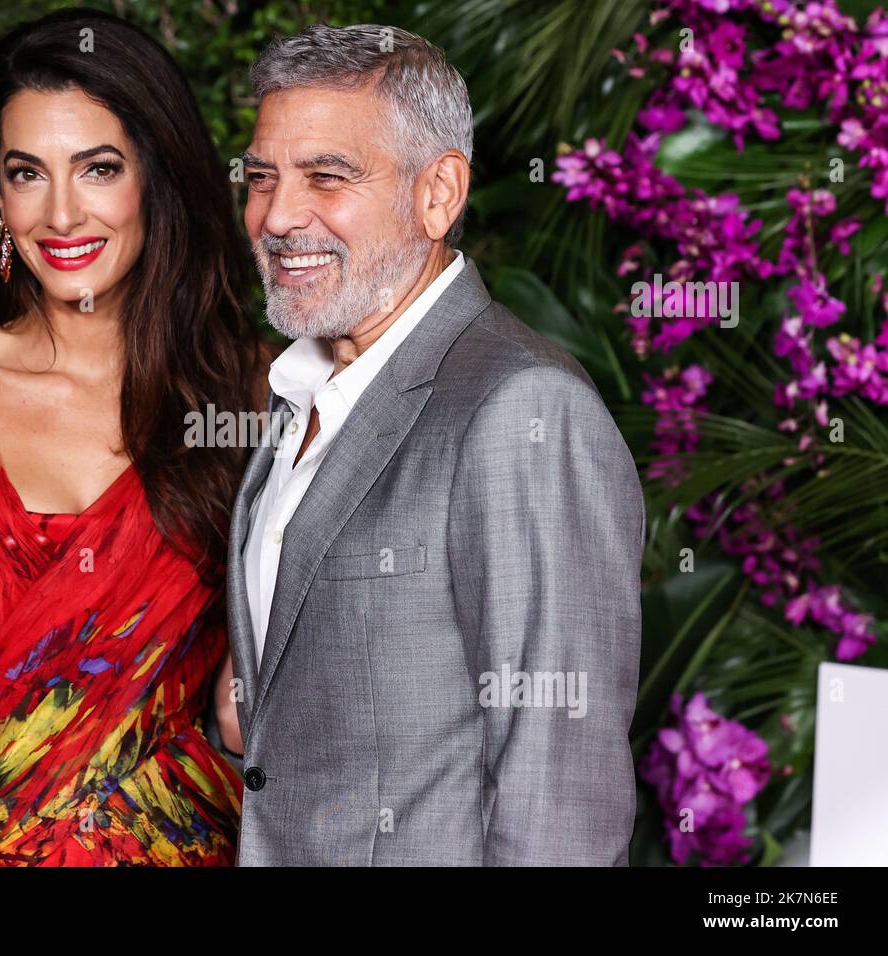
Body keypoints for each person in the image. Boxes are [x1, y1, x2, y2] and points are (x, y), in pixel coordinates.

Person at [0, 8, 265, 866]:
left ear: (156, 179)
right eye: (28, 174)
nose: (62, 214)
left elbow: (266, 701)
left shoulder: (259, 392)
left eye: (98, 168)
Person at [226, 23, 645, 865]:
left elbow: (559, 795)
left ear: (439, 193)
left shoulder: (520, 408)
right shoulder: (300, 390)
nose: (277, 215)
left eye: (327, 177)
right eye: (263, 177)